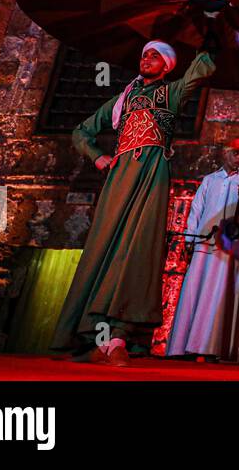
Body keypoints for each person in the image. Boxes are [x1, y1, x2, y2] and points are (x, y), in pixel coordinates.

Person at [51, 39, 216, 365]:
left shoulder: (169, 93)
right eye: (144, 54)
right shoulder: (123, 98)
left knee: (138, 248)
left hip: (151, 174)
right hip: (119, 176)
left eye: (155, 56)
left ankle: (119, 336)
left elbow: (199, 72)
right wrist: (99, 159)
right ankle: (92, 333)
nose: (147, 59)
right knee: (103, 246)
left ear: (167, 65)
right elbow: (81, 132)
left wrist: (208, 31)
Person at [166, 138, 239, 360]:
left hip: (228, 247)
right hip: (203, 241)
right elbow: (196, 210)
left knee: (218, 295)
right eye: (236, 153)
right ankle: (182, 347)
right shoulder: (209, 180)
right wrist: (189, 239)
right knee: (193, 292)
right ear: (225, 154)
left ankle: (211, 349)